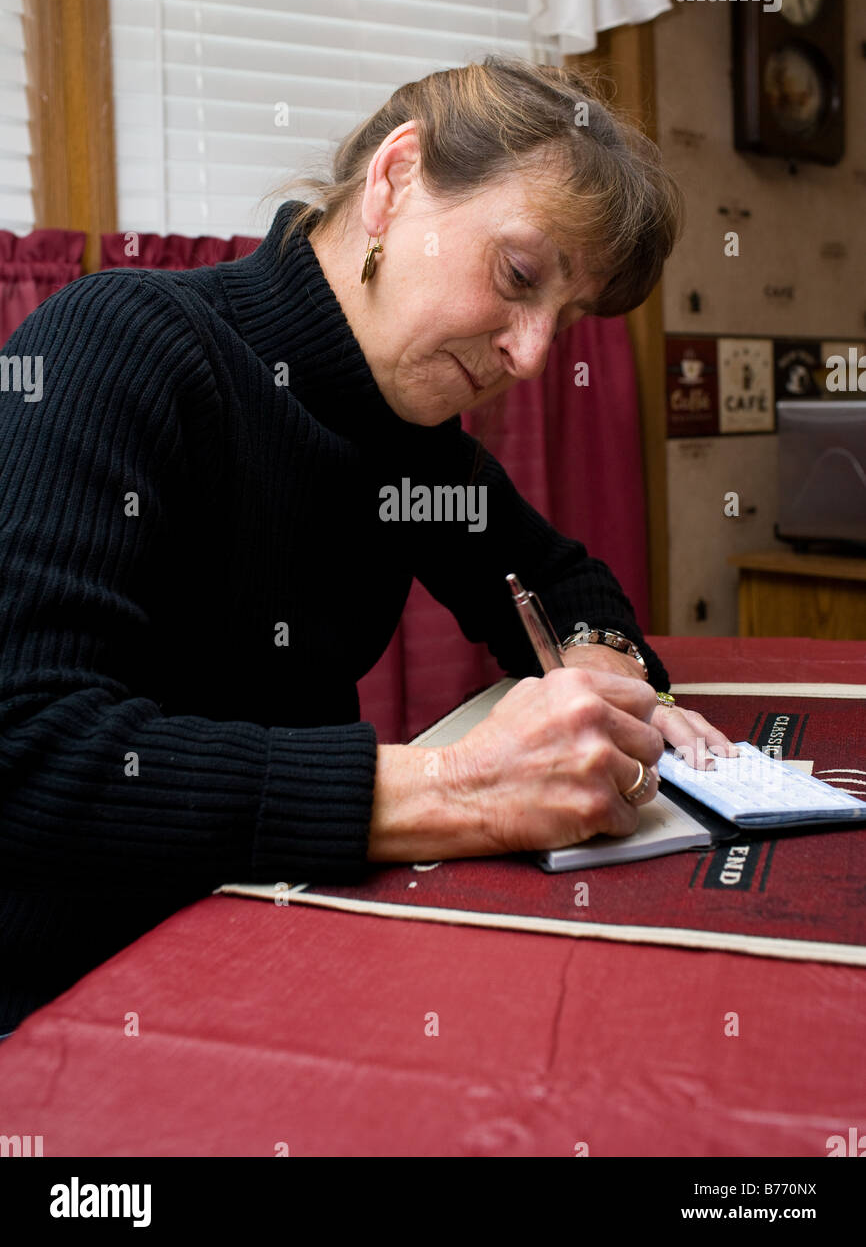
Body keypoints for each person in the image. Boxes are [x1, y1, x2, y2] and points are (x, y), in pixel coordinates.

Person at [0, 56, 735, 1035]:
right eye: (517, 276)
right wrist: (464, 788)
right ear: (394, 180)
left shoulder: (413, 452)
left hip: (291, 946)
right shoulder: (114, 345)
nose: (528, 355)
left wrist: (595, 671)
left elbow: (564, 581)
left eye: (563, 319)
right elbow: (26, 753)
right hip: (73, 1007)